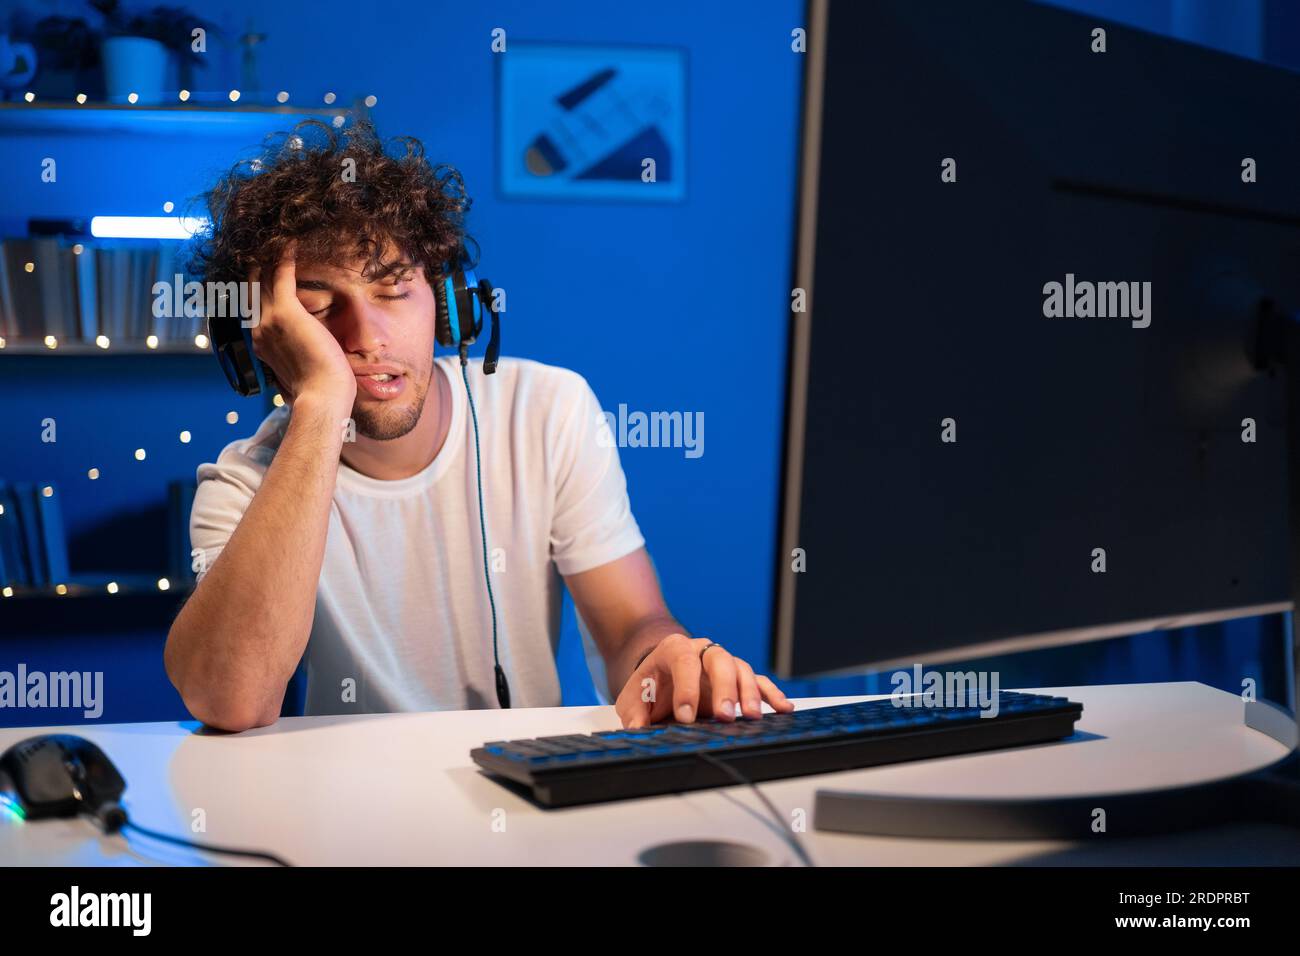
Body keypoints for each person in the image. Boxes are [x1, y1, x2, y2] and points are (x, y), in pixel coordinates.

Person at [163, 119, 793, 733]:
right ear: (265, 340)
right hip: (348, 810)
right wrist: (321, 404)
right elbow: (231, 697)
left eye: (392, 290)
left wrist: (674, 662)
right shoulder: (245, 482)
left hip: (538, 788)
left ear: (446, 304)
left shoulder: (549, 409)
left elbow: (633, 626)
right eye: (318, 306)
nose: (365, 338)